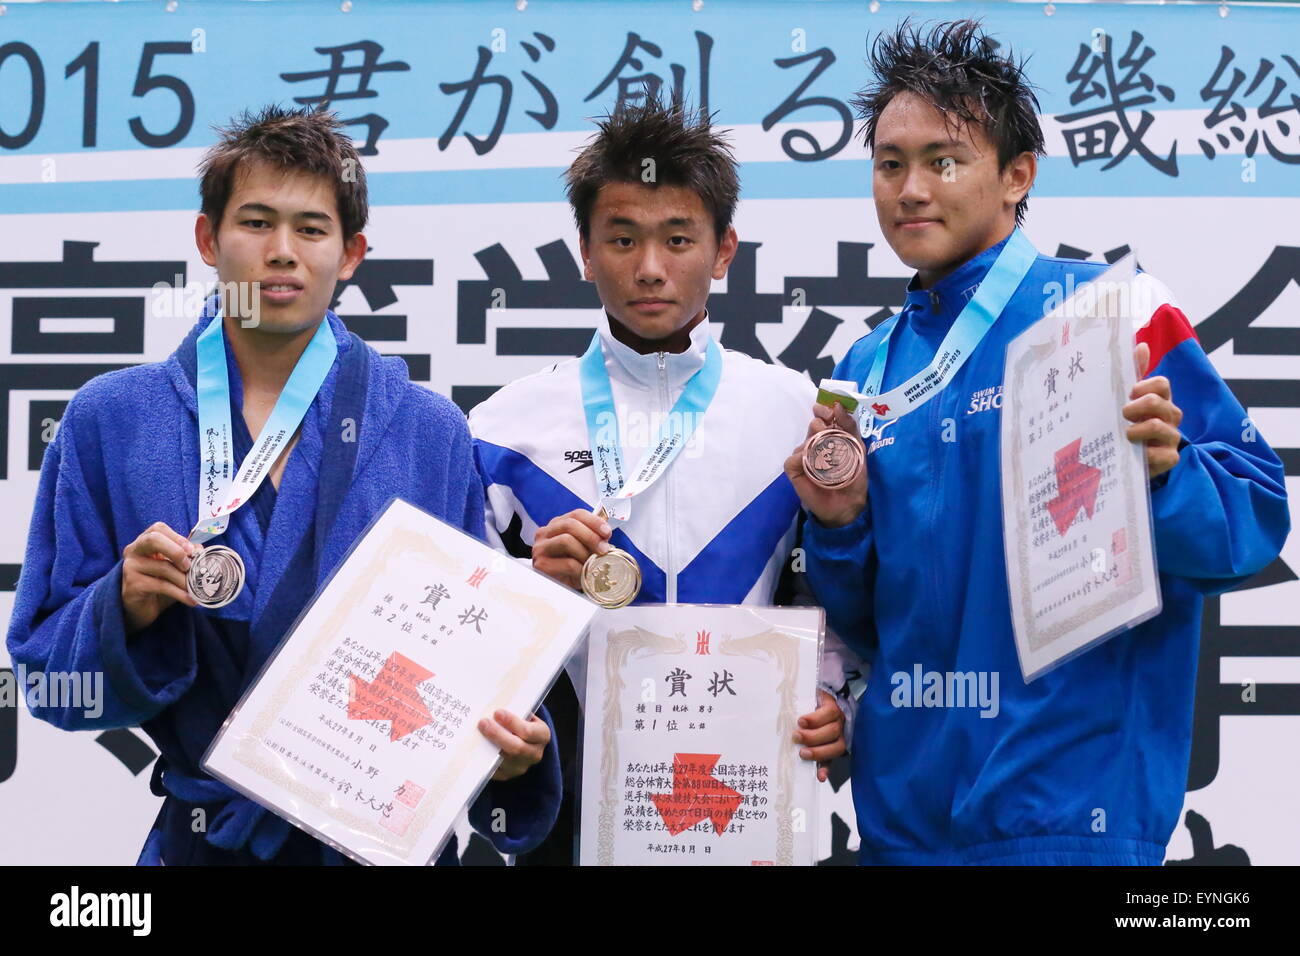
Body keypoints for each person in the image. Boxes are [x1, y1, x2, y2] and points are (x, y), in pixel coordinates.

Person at [787, 20, 1290, 865]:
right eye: (889, 163)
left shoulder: (1110, 312)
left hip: (1070, 819)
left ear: (1018, 175)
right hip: (900, 831)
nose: (911, 188)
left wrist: (1165, 477)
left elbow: (1252, 523)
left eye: (943, 160)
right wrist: (839, 525)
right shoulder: (866, 368)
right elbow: (866, 617)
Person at [6, 105, 559, 865]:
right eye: (255, 223)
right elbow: (50, 677)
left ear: (352, 252)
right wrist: (123, 608)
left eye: (310, 229)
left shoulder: (427, 430)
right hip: (206, 840)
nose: (281, 253)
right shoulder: (113, 419)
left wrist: (516, 748)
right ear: (208, 239)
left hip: (370, 840)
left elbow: (478, 647)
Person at [469, 98, 861, 865]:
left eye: (678, 239)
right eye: (622, 238)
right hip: (570, 815)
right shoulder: (503, 426)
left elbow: (830, 584)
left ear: (723, 252)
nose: (649, 267)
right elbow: (464, 618)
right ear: (584, 250)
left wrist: (835, 695)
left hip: (750, 804)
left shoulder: (795, 411)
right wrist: (533, 584)